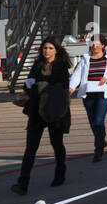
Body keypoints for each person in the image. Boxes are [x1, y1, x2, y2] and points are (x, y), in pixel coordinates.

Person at [12, 37, 73, 193]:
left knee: (57, 144)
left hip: (55, 111)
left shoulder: (61, 66)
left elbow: (61, 87)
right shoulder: (37, 64)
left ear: (56, 50)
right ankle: (23, 183)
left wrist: (40, 85)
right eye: (45, 48)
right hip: (37, 111)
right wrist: (31, 85)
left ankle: (60, 173)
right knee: (30, 148)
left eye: (50, 48)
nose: (47, 51)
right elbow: (29, 82)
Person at [68, 34, 107, 162]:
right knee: (93, 122)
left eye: (97, 44)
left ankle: (98, 149)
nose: (95, 46)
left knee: (98, 121)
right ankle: (101, 140)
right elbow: (77, 74)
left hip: (103, 93)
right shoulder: (85, 58)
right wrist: (71, 87)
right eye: (92, 44)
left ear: (103, 45)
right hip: (88, 93)